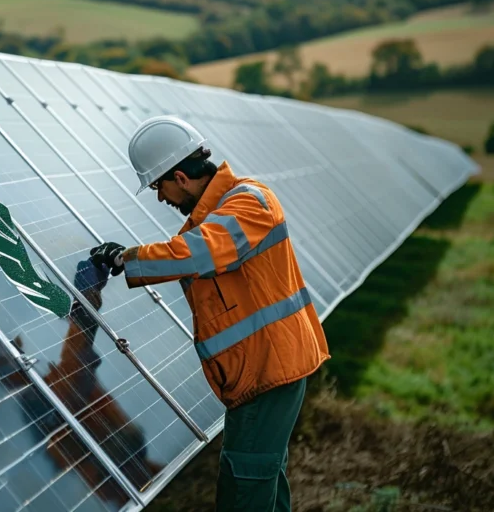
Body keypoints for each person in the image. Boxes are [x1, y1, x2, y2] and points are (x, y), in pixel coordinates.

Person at [89, 115, 330, 512]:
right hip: (258, 369)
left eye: (158, 186)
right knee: (263, 480)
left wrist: (124, 258)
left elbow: (196, 253)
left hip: (268, 370)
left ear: (181, 177)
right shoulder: (215, 217)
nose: (160, 198)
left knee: (244, 489)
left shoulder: (249, 202)